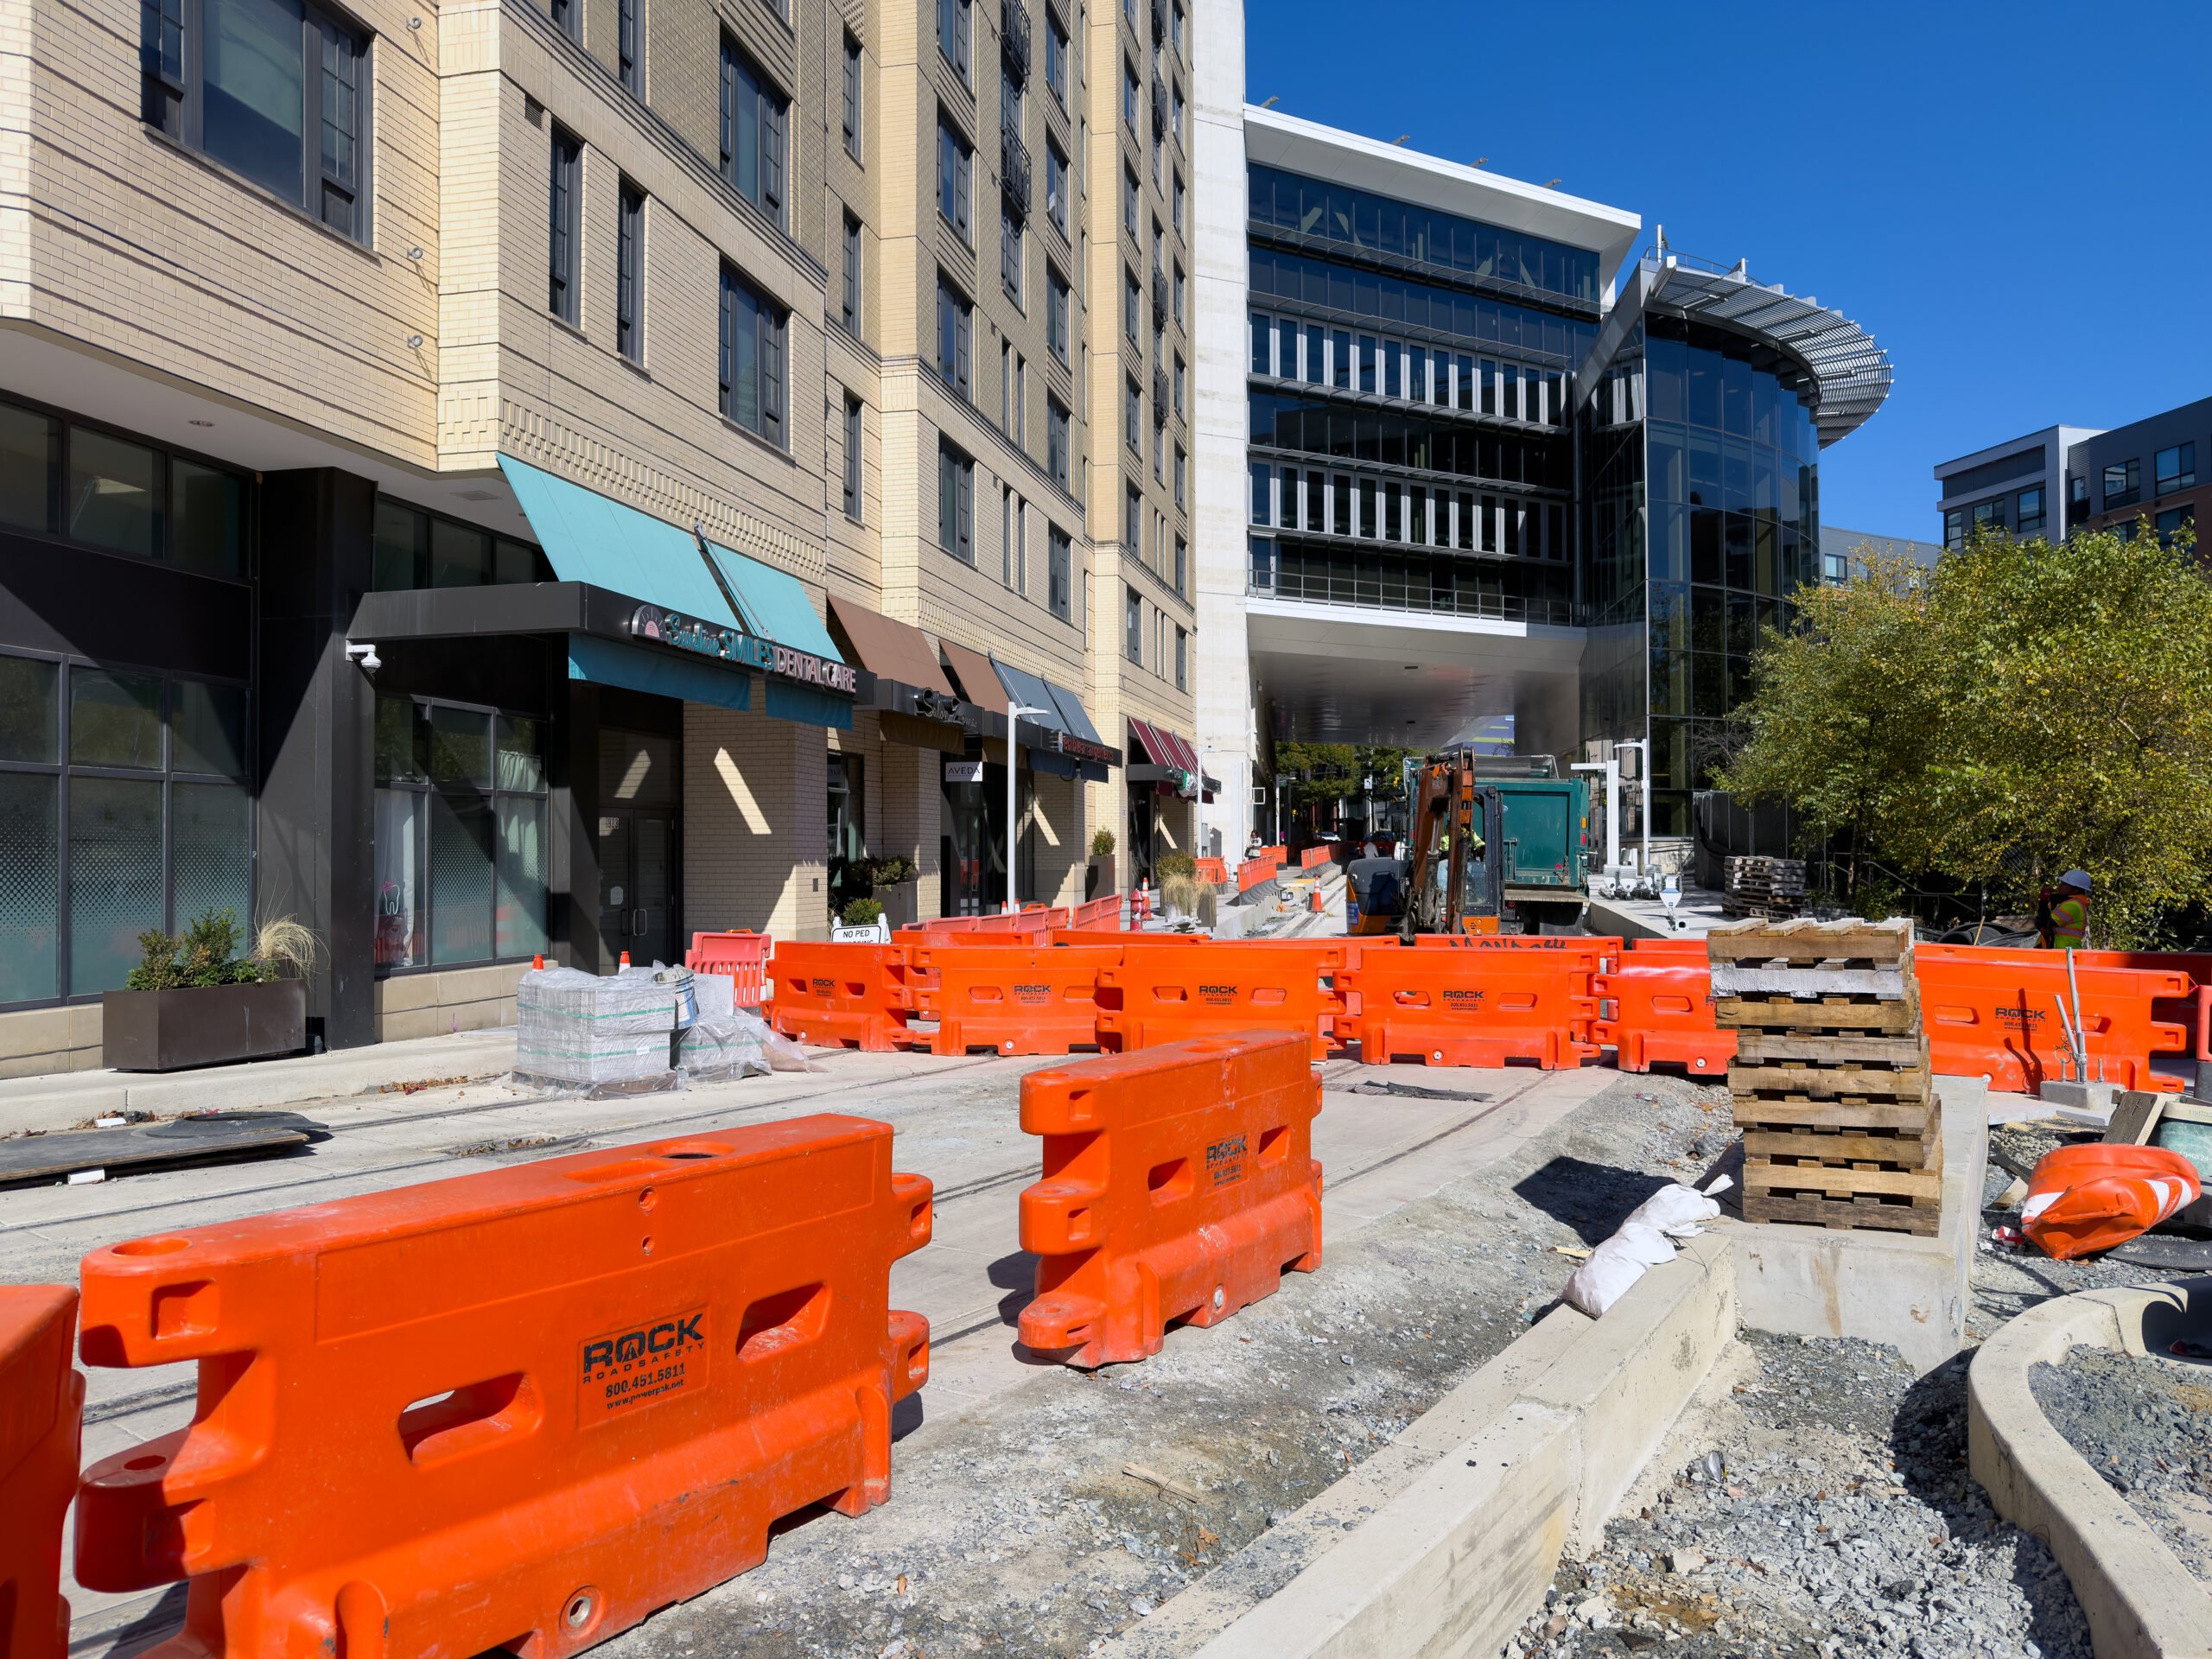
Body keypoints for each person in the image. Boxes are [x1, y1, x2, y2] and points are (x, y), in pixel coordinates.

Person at [2042, 869, 2092, 950]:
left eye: (2064, 884)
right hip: (2062, 951)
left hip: (2066, 953)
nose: (2060, 886)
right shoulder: (2066, 903)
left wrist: (2043, 901)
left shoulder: (2074, 905)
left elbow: (2044, 923)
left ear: (2075, 890)